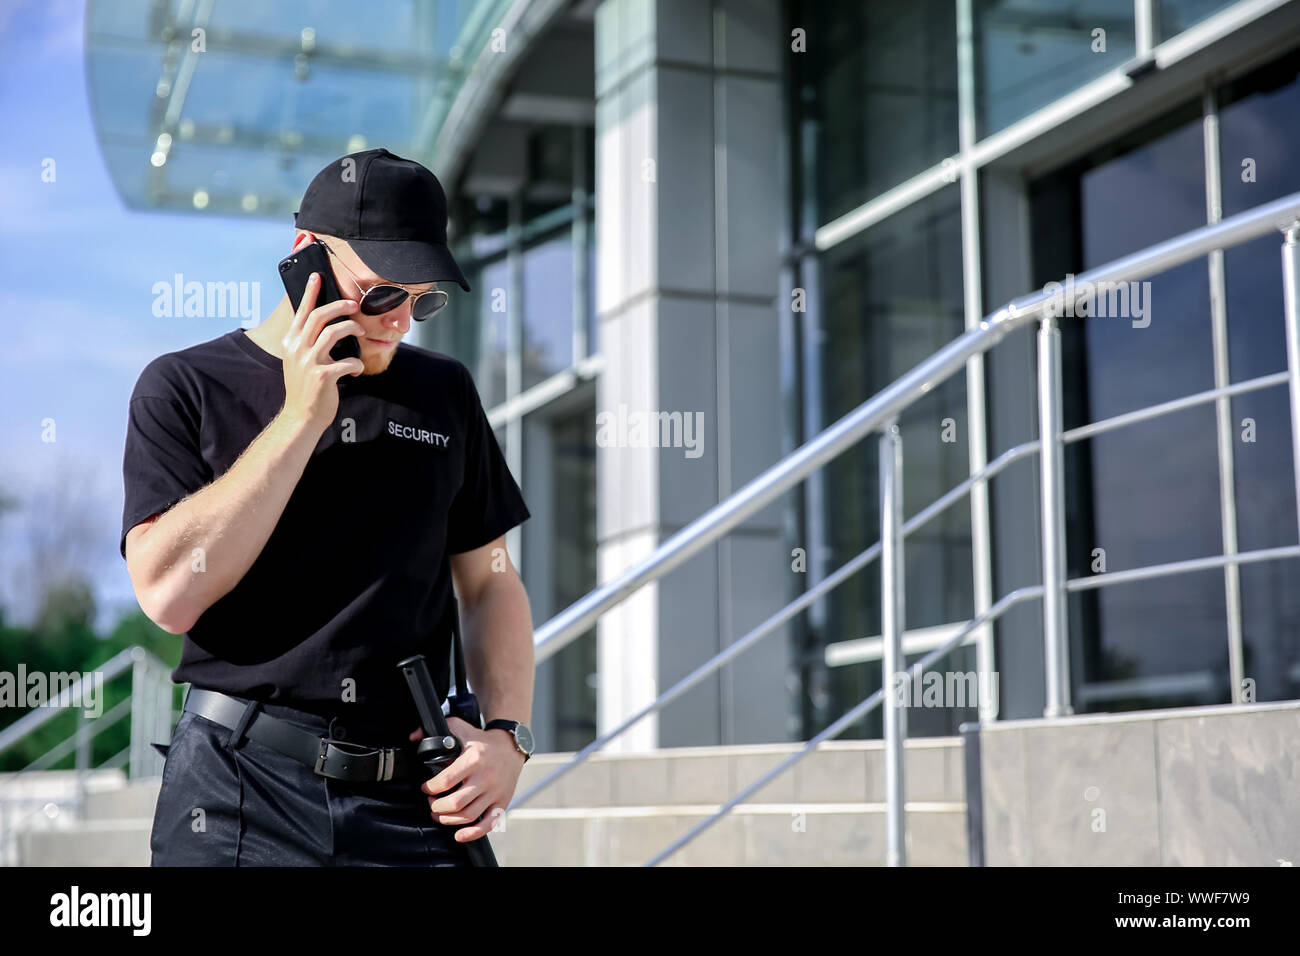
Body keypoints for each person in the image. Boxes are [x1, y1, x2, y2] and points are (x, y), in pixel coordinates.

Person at [120, 147, 536, 866]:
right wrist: (299, 418)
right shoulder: (185, 387)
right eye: (380, 293)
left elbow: (492, 579)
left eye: (422, 298)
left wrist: (508, 735)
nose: (401, 321)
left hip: (415, 794)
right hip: (236, 790)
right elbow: (165, 594)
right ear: (305, 255)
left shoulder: (443, 394)